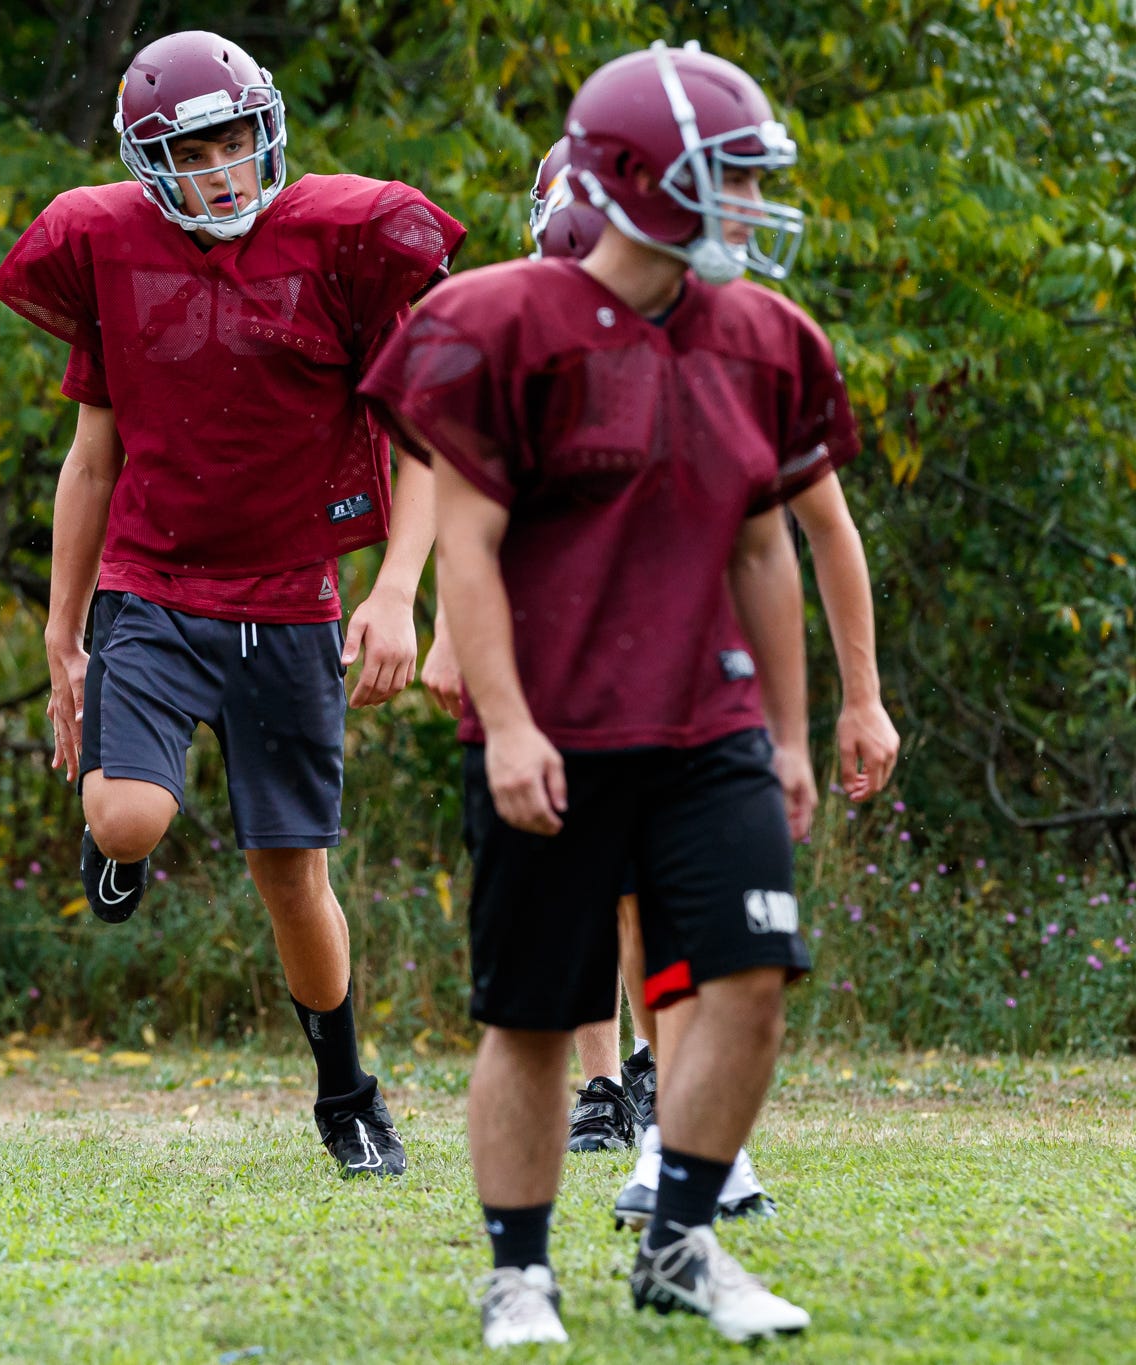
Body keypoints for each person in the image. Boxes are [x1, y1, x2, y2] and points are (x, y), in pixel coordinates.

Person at [364, 41, 855, 1345]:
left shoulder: (764, 338)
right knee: (533, 1015)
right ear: (645, 181)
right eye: (728, 180)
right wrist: (511, 723)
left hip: (709, 727)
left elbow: (765, 546)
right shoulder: (492, 323)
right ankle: (518, 1267)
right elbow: (464, 542)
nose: (750, 210)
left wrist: (794, 735)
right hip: (557, 730)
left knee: (748, 977)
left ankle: (682, 1239)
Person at [0, 31, 464, 1177]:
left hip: (291, 595)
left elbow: (428, 437)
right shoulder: (105, 241)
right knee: (127, 819)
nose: (221, 170)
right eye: (192, 151)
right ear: (148, 161)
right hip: (150, 584)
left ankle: (345, 1094)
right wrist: (60, 632)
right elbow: (90, 458)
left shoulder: (343, 240)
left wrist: (399, 594)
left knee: (290, 873)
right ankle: (119, 851)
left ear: (268, 132)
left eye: (235, 141)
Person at [424, 142, 899, 1224]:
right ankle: (620, 1126)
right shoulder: (519, 346)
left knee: (718, 941)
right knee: (602, 927)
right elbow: (473, 533)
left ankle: (684, 1153)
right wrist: (455, 646)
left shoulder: (740, 347)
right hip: (578, 685)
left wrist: (850, 699)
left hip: (711, 686)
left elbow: (813, 535)